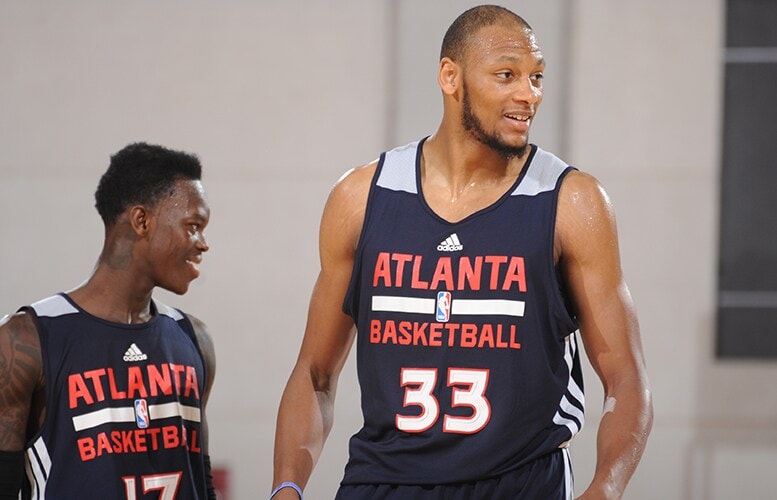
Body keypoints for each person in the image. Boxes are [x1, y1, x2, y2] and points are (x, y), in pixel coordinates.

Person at [272, 4, 652, 499]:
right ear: (450, 77)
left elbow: (626, 379)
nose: (528, 94)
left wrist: (606, 487)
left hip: (519, 484)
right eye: (507, 75)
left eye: (537, 77)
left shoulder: (572, 202)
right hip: (382, 482)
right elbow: (315, 373)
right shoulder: (361, 198)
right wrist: (285, 488)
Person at [0, 142, 217, 499]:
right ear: (142, 221)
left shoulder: (194, 340)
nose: (203, 243)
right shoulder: (27, 340)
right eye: (193, 225)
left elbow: (202, 485)